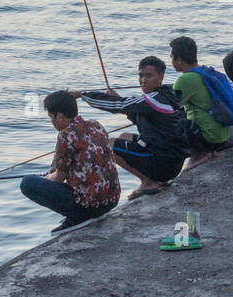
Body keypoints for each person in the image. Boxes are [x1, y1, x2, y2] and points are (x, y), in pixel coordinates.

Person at [78, 57, 189, 200]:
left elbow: (117, 105)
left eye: (148, 76)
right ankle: (152, 179)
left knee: (109, 144)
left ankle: (149, 182)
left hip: (164, 165)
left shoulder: (152, 99)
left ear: (160, 77)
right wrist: (119, 100)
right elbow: (138, 113)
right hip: (173, 161)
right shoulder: (168, 94)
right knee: (124, 136)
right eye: (141, 75)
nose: (143, 80)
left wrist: (82, 95)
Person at [19, 91, 120, 234]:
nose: (51, 122)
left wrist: (47, 178)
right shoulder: (95, 125)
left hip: (91, 205)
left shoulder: (66, 134)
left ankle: (77, 217)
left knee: (27, 183)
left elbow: (58, 178)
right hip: (112, 199)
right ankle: (87, 212)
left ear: (59, 116)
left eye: (50, 117)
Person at [169, 35, 233, 168]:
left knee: (170, 119)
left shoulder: (184, 80)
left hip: (209, 139)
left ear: (178, 60)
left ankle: (199, 154)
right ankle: (206, 152)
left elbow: (170, 106)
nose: (171, 60)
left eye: (172, 57)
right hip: (224, 135)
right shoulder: (207, 72)